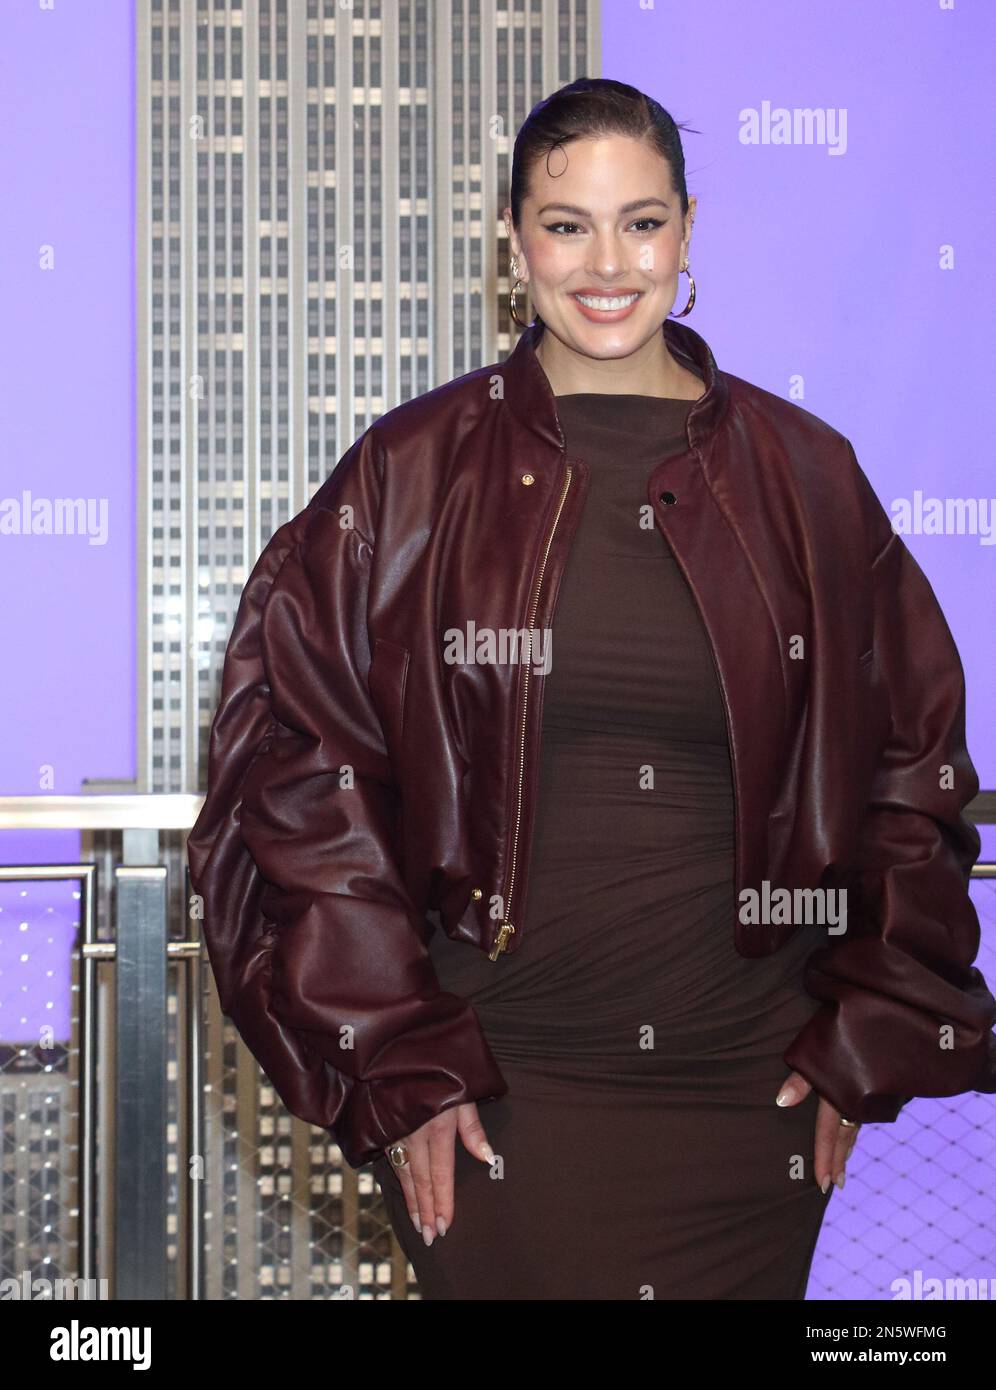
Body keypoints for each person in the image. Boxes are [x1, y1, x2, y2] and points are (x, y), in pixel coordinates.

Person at [187, 78, 996, 1300]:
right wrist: (402, 1056)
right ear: (515, 243)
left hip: (749, 1087)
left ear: (688, 234)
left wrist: (867, 1029)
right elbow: (298, 771)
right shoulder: (414, 470)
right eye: (568, 225)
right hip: (498, 1088)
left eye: (643, 220)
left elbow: (913, 765)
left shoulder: (808, 476)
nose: (607, 262)